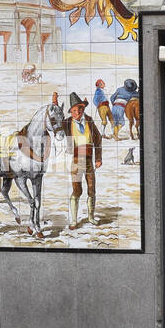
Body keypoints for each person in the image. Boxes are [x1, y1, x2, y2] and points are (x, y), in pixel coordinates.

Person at [62, 92, 102, 228]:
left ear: (83, 109)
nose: (76, 113)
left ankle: (91, 217)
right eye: (73, 111)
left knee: (92, 189)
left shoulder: (89, 120)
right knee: (77, 190)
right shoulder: (67, 123)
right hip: (76, 161)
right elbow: (56, 122)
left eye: (79, 109)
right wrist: (55, 104)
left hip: (90, 161)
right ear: (71, 112)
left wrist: (98, 158)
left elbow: (98, 139)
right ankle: (74, 220)